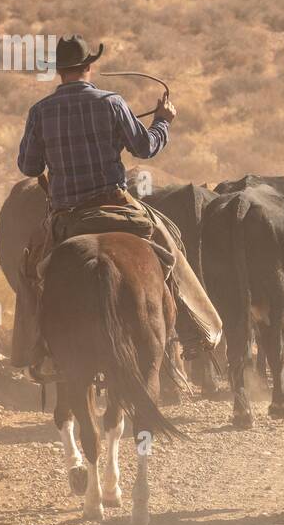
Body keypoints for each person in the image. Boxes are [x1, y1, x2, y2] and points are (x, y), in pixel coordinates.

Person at [11, 34, 221, 379]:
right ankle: (193, 329)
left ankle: (37, 347)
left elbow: (29, 167)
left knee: (31, 267)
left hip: (66, 214)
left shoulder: (40, 111)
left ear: (58, 71)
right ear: (89, 66)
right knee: (170, 239)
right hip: (116, 202)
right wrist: (163, 120)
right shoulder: (111, 102)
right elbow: (145, 148)